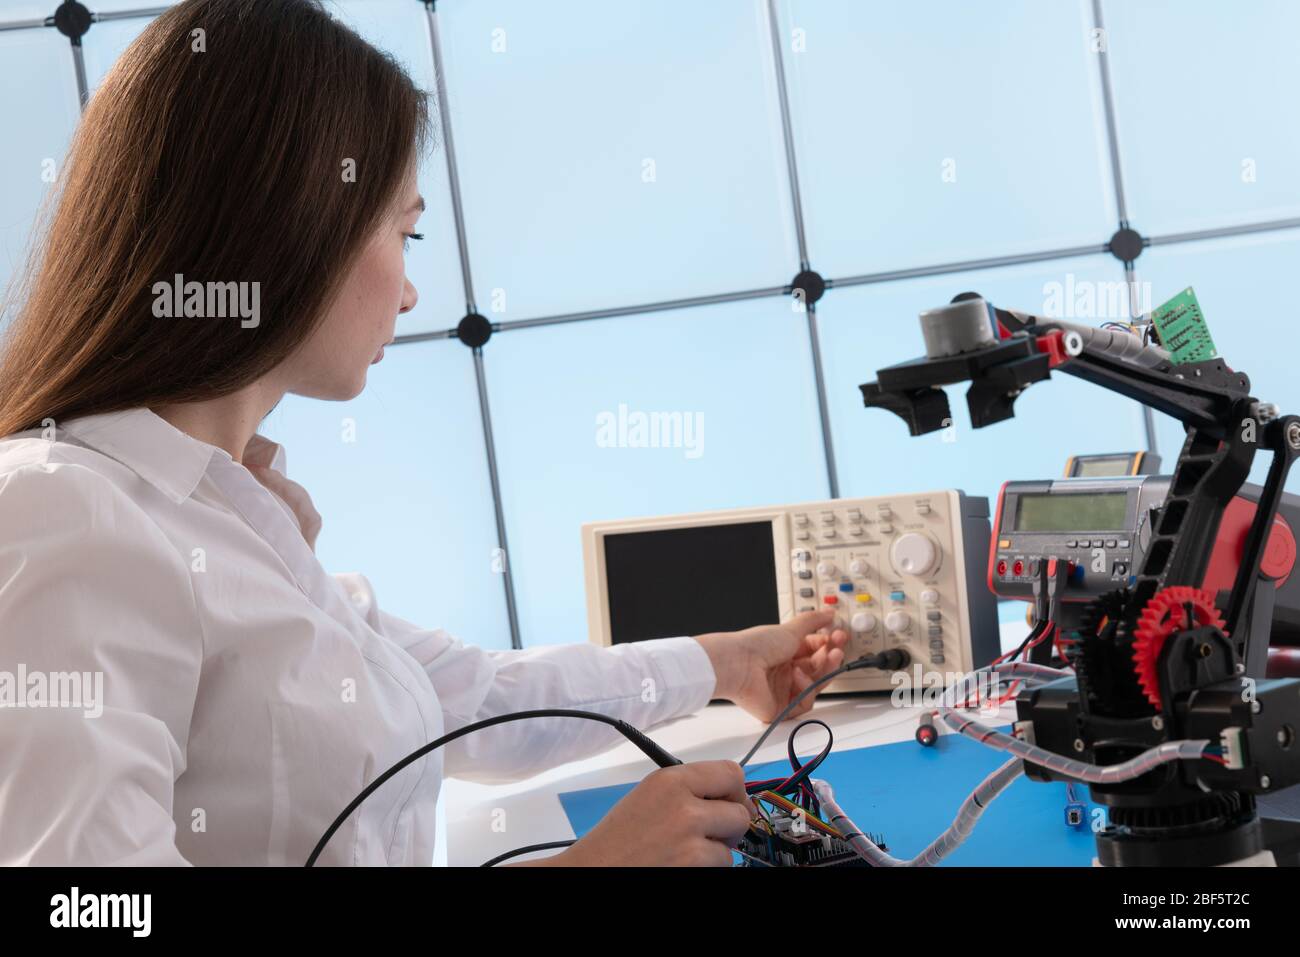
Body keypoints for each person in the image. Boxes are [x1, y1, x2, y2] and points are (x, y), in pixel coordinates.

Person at [0, 0, 848, 866]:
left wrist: (732, 662)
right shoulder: (63, 507)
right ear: (292, 222)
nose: (410, 295)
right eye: (406, 233)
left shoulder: (237, 519)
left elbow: (480, 700)